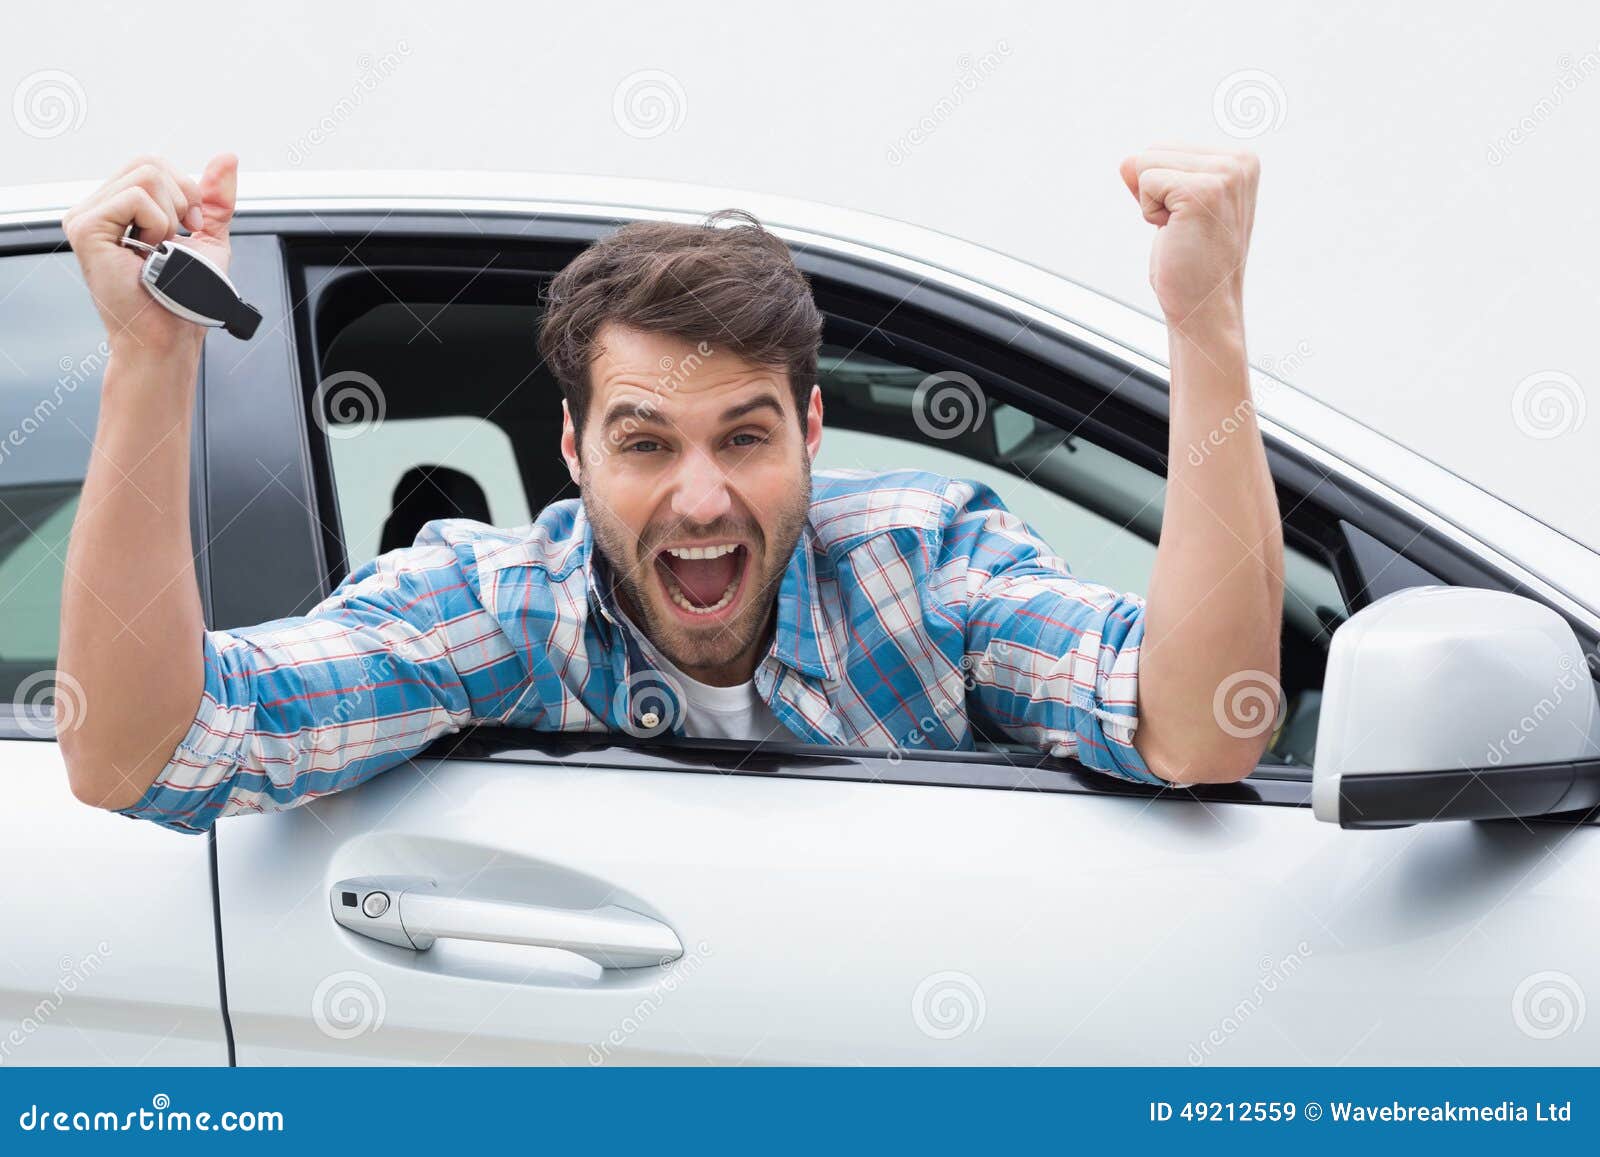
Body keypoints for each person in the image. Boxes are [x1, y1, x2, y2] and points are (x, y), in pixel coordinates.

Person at [57, 148, 1284, 834]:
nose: (700, 500)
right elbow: (140, 753)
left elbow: (1200, 722)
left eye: (743, 437)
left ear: (811, 431)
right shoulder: (498, 605)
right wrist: (151, 360)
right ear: (576, 453)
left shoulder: (928, 567)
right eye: (645, 444)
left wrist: (1204, 321)